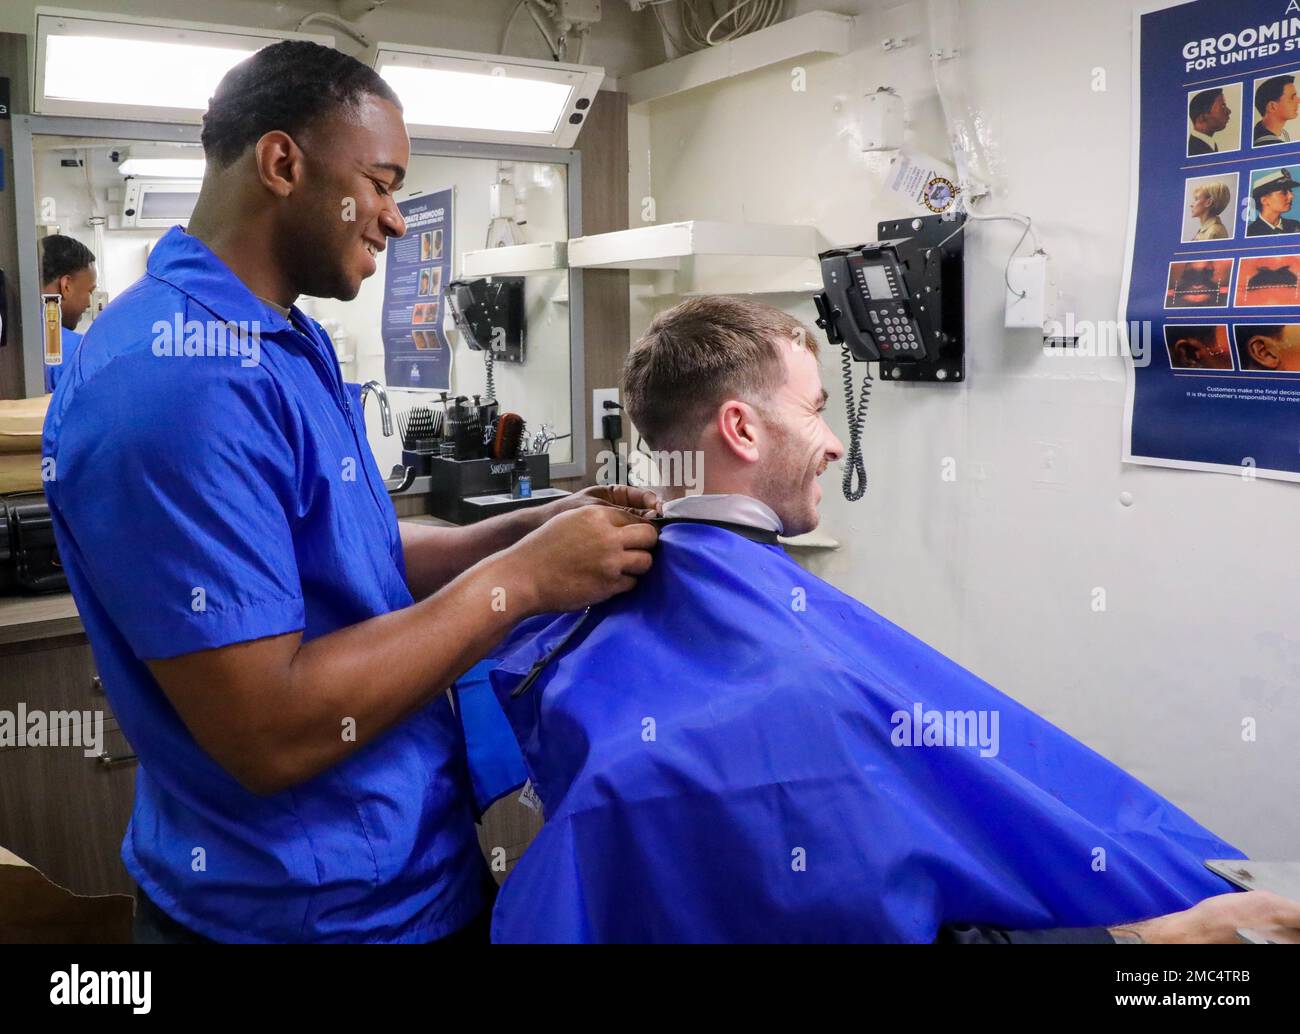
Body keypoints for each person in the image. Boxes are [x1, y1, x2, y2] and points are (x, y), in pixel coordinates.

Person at [41, 40, 659, 944]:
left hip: (411, 873)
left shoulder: (286, 340)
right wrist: (521, 584)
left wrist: (529, 531)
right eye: (380, 183)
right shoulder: (174, 382)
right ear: (284, 163)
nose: (396, 220)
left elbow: (344, 557)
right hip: (310, 917)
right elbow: (273, 730)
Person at [484, 296, 1298, 944]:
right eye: (814, 410)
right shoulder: (792, 689)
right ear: (740, 426)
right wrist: (1157, 946)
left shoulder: (583, 609)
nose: (836, 444)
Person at [38, 234, 96, 392]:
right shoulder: (78, 352)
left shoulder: (12, 343)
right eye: (89, 291)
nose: (89, 303)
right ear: (66, 285)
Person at [1246, 169, 1300, 235]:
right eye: (1284, 192)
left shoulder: (1295, 226)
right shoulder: (1251, 232)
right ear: (1264, 200)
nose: (1291, 196)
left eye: (1290, 191)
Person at [1253, 74, 1298, 146]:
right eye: (1292, 97)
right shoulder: (1265, 143)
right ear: (1272, 106)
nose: (1298, 100)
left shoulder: (1281, 134)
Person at [1187, 87, 1230, 154]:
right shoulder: (1196, 150)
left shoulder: (1209, 144)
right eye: (1222, 106)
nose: (1228, 111)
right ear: (1201, 117)